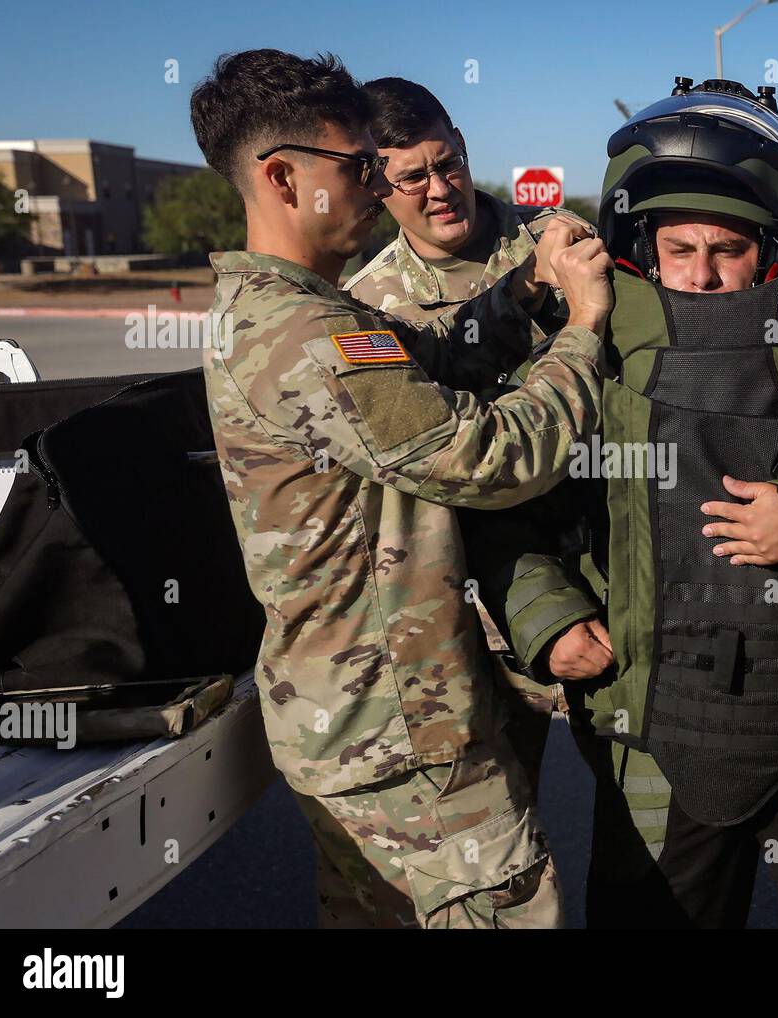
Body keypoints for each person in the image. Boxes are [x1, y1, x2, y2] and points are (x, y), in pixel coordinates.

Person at [471, 78, 778, 928]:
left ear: (777, 247)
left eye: (731, 249)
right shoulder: (589, 352)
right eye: (682, 249)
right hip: (652, 728)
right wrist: (548, 622)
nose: (706, 274)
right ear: (643, 246)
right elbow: (505, 510)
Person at [190, 48, 613, 929]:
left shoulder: (297, 310)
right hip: (402, 729)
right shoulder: (308, 333)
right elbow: (486, 456)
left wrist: (531, 289)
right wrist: (583, 328)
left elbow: (443, 361)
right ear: (282, 176)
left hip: (359, 724)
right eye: (357, 169)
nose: (376, 188)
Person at [343, 77, 594, 791]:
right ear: (375, 184)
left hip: (606, 574)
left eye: (447, 162)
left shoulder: (558, 243)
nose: (440, 188)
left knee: (643, 818)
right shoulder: (370, 307)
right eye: (411, 176)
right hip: (479, 616)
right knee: (501, 816)